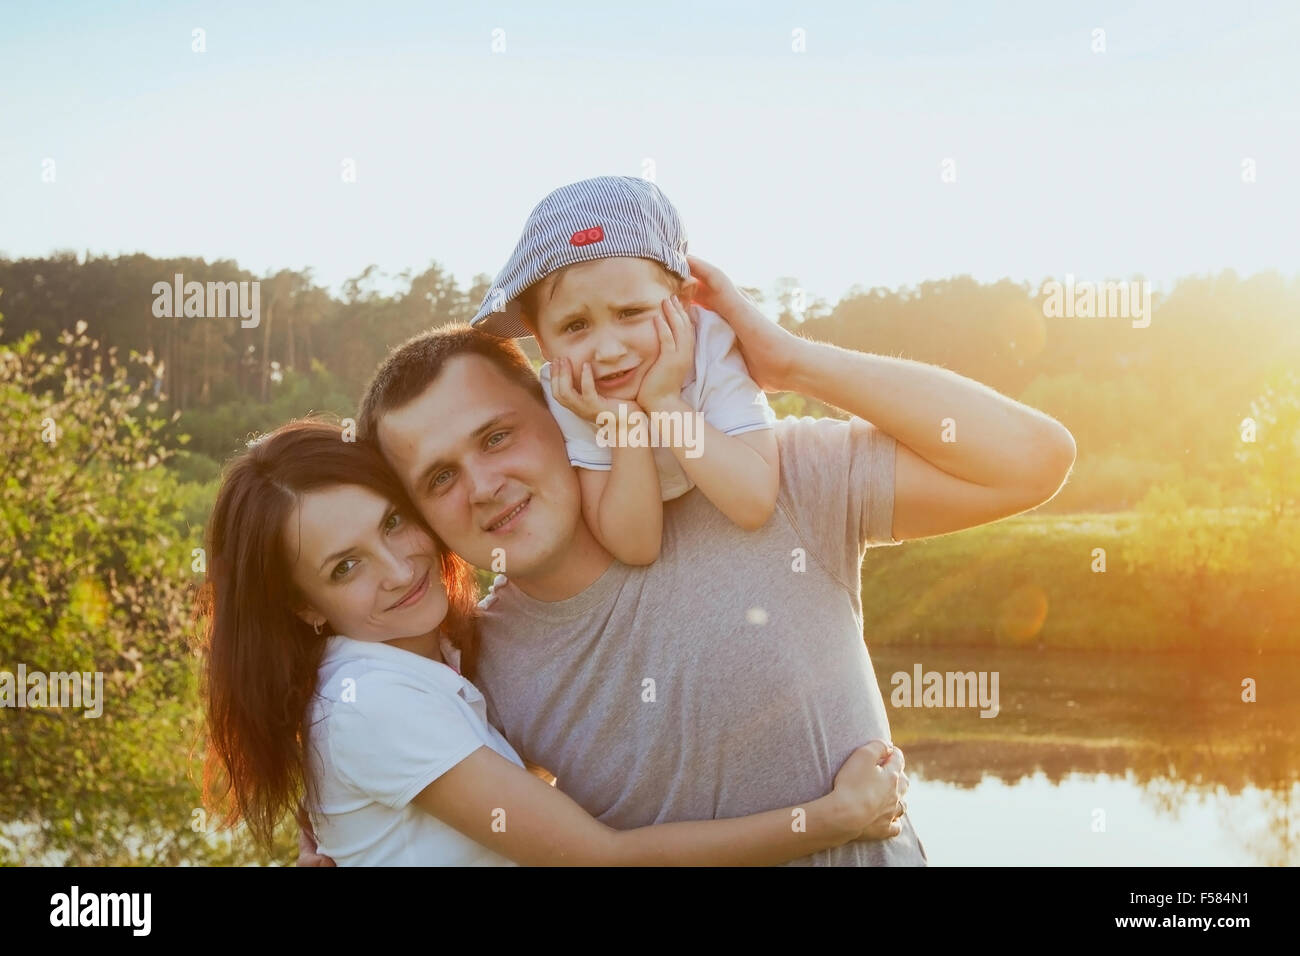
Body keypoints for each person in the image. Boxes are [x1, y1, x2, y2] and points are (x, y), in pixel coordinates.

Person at [198, 419, 909, 865]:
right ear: (304, 606)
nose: (398, 568)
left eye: (392, 523)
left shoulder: (428, 658)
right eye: (344, 567)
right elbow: (600, 859)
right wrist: (830, 819)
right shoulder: (368, 701)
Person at [472, 176, 780, 566]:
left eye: (631, 313)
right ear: (542, 341)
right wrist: (625, 428)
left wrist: (665, 401)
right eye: (575, 326)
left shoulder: (710, 345)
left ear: (683, 303)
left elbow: (752, 503)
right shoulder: (570, 392)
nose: (610, 351)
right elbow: (637, 547)